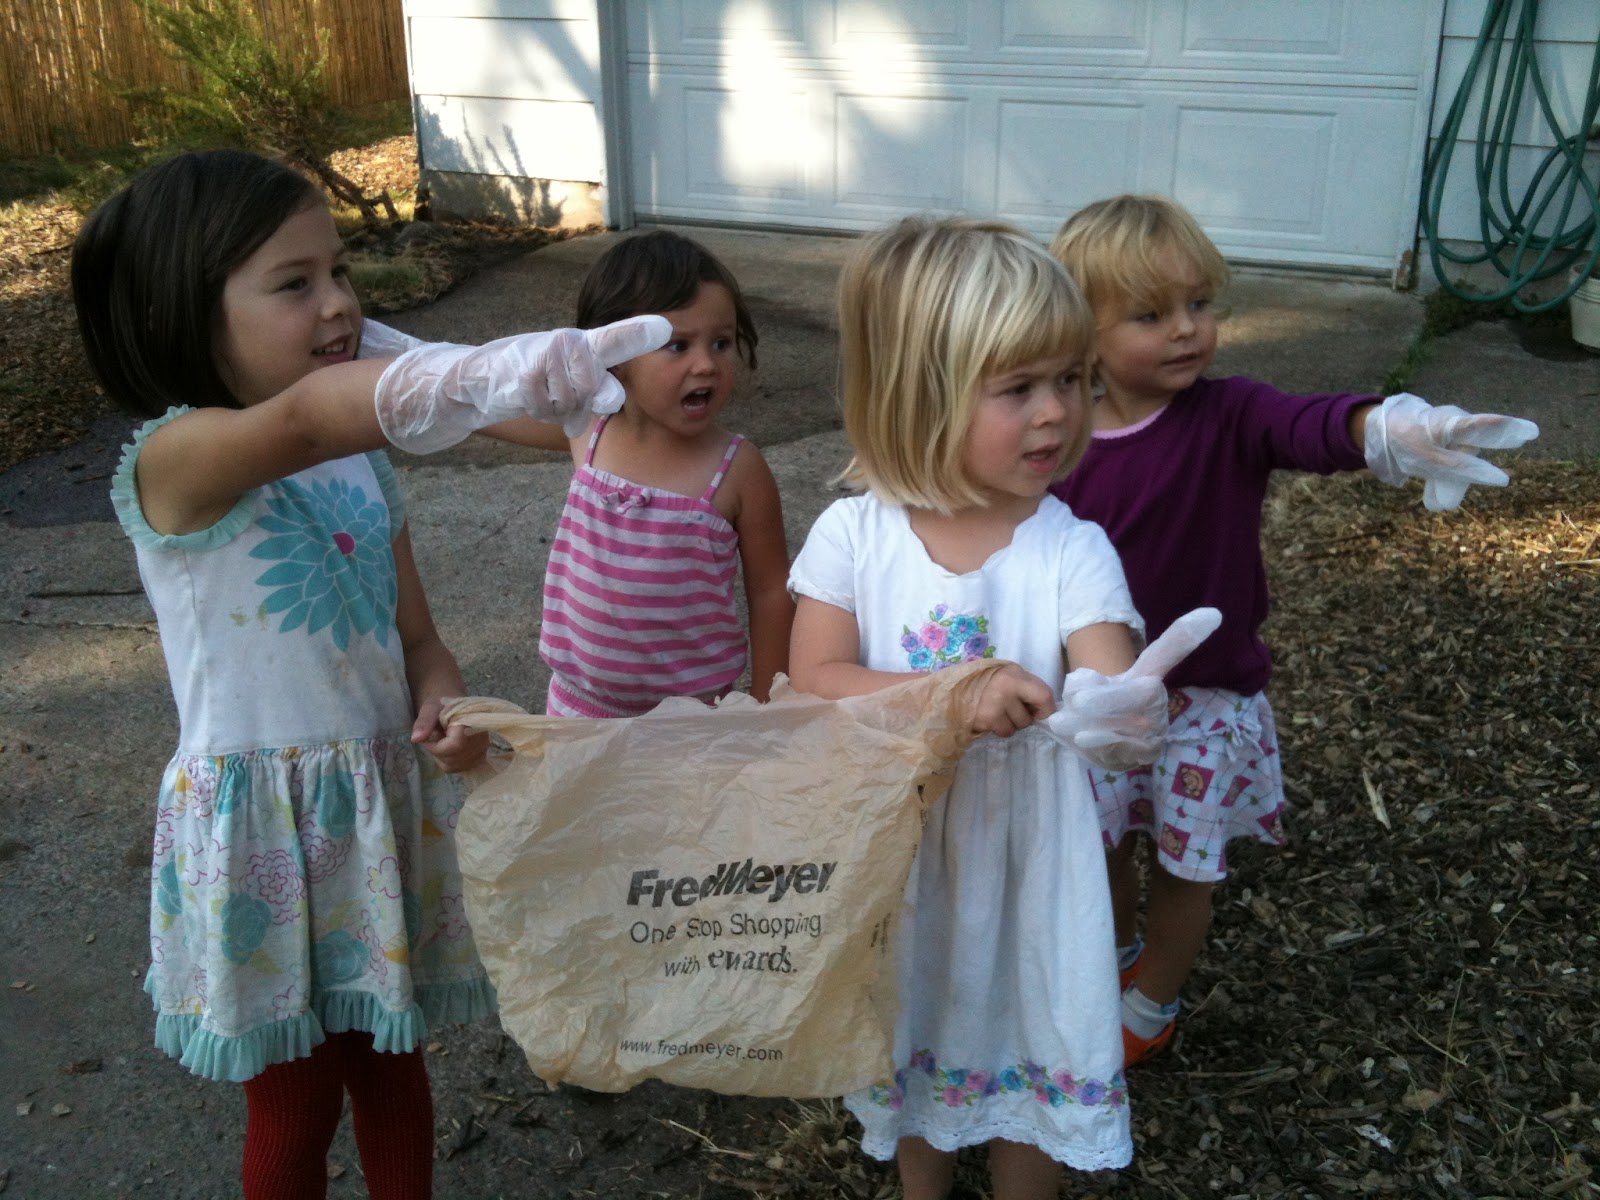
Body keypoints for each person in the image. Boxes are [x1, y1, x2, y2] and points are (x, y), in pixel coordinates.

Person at [72, 148, 666, 1199]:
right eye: (295, 284)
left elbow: (419, 635)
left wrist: (440, 694)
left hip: (375, 814)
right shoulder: (177, 459)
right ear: (185, 309)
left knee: (394, 1073)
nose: (339, 301)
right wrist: (454, 363)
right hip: (269, 840)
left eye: (342, 273)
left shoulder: (362, 461)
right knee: (295, 1102)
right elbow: (305, 418)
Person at [1046, 192, 1541, 1067]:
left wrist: (1388, 427)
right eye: (1151, 314)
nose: (1187, 329)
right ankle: (1114, 957)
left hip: (1206, 699)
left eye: (1200, 304)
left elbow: (1308, 424)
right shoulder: (1059, 442)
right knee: (1100, 840)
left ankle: (1150, 1003)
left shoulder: (1229, 411)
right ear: (1083, 334)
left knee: (1185, 862)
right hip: (1102, 699)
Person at [787, 216, 1154, 1199]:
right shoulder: (853, 537)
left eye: (1073, 379)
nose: (1057, 413)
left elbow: (1107, 678)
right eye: (1019, 387)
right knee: (920, 1030)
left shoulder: (1069, 547)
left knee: (1031, 1036)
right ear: (920, 392)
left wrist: (1123, 712)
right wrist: (955, 692)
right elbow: (813, 680)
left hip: (1030, 859)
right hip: (904, 853)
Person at [488, 230, 794, 714]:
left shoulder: (737, 470)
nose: (706, 364)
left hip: (690, 723)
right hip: (576, 709)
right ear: (614, 356)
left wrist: (768, 705)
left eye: (721, 342)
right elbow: (485, 408)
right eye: (678, 346)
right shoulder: (590, 428)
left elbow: (771, 590)